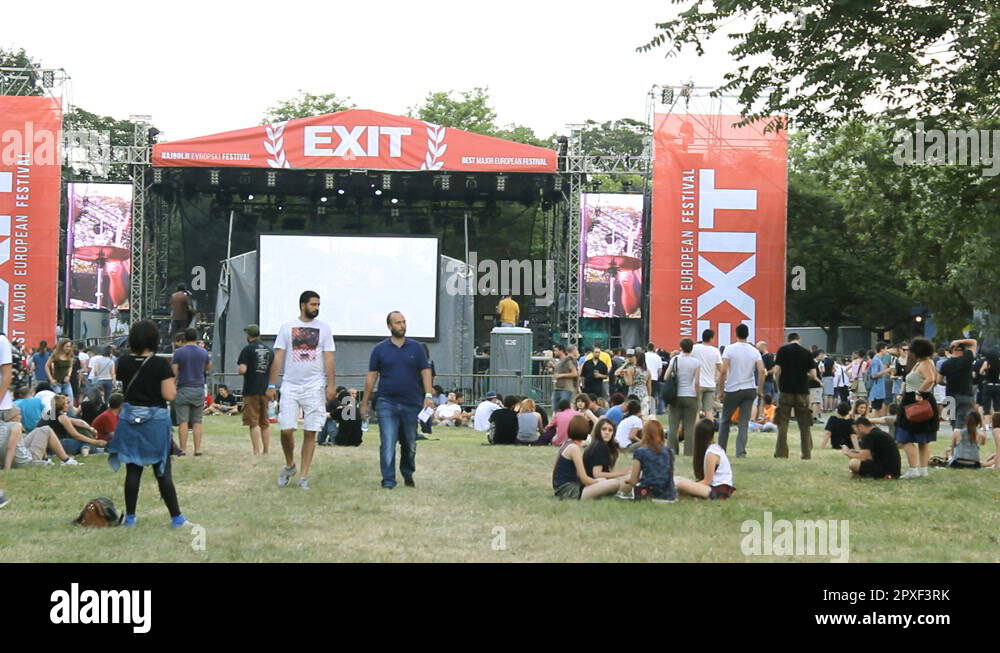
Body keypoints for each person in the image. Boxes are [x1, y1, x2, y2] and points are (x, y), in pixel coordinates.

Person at [107, 319, 192, 527]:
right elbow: (169, 394)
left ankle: (130, 518)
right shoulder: (159, 364)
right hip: (155, 421)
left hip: (130, 419)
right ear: (154, 339)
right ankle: (177, 518)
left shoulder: (123, 362)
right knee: (161, 469)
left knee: (133, 470)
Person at [267, 291, 337, 490]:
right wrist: (272, 385)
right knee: (286, 429)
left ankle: (304, 476)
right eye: (313, 304)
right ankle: (290, 465)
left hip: (314, 386)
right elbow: (279, 356)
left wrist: (331, 385)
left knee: (310, 431)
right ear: (302, 305)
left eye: (318, 304)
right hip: (290, 385)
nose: (316, 308)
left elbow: (329, 357)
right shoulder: (287, 328)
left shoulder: (324, 329)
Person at [360, 311, 434, 489]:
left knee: (410, 443)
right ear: (389, 326)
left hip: (412, 402)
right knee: (388, 441)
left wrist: (428, 395)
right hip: (387, 402)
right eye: (398, 323)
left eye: (404, 322)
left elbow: (426, 371)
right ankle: (388, 480)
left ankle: (408, 473)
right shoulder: (379, 349)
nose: (402, 326)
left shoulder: (416, 348)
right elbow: (372, 376)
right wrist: (365, 402)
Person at [717, 324, 766, 457]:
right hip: (749, 388)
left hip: (733, 388)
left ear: (736, 333)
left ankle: (721, 450)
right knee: (744, 422)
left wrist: (721, 391)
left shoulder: (729, 349)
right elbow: (762, 370)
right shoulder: (754, 350)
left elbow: (723, 371)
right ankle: (740, 452)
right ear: (748, 334)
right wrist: (760, 389)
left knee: (725, 420)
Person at [895, 337, 940, 479]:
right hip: (917, 399)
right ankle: (922, 469)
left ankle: (914, 469)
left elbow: (931, 379)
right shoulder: (923, 362)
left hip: (916, 401)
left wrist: (919, 392)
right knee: (922, 438)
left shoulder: (925, 363)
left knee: (905, 437)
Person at [773, 332, 820, 459]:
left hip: (786, 390)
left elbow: (776, 371)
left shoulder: (782, 350)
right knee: (804, 424)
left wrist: (779, 385)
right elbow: (813, 375)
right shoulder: (806, 353)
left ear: (788, 340)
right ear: (799, 339)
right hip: (802, 392)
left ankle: (781, 453)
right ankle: (806, 453)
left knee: (783, 423)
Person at [552, 415, 622, 500]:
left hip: (563, 488)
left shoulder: (567, 444)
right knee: (614, 483)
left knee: (606, 481)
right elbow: (584, 478)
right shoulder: (574, 449)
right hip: (570, 490)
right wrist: (599, 482)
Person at [172, 328, 212, 456]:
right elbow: (208, 367)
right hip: (198, 388)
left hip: (183, 388)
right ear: (196, 338)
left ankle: (183, 449)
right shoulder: (203, 352)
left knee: (183, 421)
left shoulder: (179, 352)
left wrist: (173, 385)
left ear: (185, 338)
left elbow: (174, 372)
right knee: (197, 421)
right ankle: (197, 450)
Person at [237, 324, 274, 456]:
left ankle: (256, 451)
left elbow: (243, 369)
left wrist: (240, 372)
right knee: (265, 422)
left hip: (251, 389)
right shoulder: (269, 350)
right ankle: (266, 451)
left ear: (248, 335)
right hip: (265, 389)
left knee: (254, 422)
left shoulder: (247, 349)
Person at [675, 418, 736, 499]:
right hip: (714, 488)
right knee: (677, 479)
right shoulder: (712, 449)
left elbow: (707, 481)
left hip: (718, 491)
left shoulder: (712, 453)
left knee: (680, 484)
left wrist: (691, 486)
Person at [618, 420, 677, 502]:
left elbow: (633, 480)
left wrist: (626, 481)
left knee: (621, 487)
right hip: (670, 495)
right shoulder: (670, 452)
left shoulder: (640, 452)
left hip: (648, 493)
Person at [666, 337, 700, 456]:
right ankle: (689, 452)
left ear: (681, 347)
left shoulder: (675, 360)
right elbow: (696, 382)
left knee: (673, 426)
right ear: (692, 348)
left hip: (676, 396)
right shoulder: (696, 362)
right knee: (690, 427)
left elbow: (666, 376)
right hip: (690, 395)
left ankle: (672, 450)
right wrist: (697, 396)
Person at [939, 338, 978, 429]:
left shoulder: (946, 364)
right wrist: (959, 341)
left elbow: (938, 380)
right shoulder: (968, 358)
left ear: (951, 350)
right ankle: (960, 441)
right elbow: (974, 342)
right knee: (963, 422)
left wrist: (946, 383)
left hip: (950, 395)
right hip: (965, 395)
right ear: (964, 350)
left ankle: (955, 439)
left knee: (953, 422)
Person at [692, 329, 722, 419]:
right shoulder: (715, 351)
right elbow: (720, 368)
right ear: (711, 338)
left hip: (697, 383)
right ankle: (709, 432)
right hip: (710, 384)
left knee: (696, 410)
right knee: (709, 410)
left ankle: (696, 431)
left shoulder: (695, 348)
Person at [45, 339, 76, 406]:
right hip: (56, 382)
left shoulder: (70, 355)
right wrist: (51, 379)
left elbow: (70, 366)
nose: (69, 348)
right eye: (67, 346)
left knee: (70, 402)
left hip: (66, 383)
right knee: (60, 403)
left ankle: (69, 415)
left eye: (70, 346)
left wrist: (68, 375)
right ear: (62, 346)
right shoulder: (55, 355)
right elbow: (47, 366)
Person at [551, 344, 579, 410]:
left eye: (556, 351)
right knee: (555, 408)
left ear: (561, 351)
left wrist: (560, 375)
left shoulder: (568, 361)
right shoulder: (559, 362)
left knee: (565, 408)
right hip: (557, 387)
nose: (554, 352)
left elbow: (575, 373)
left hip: (566, 388)